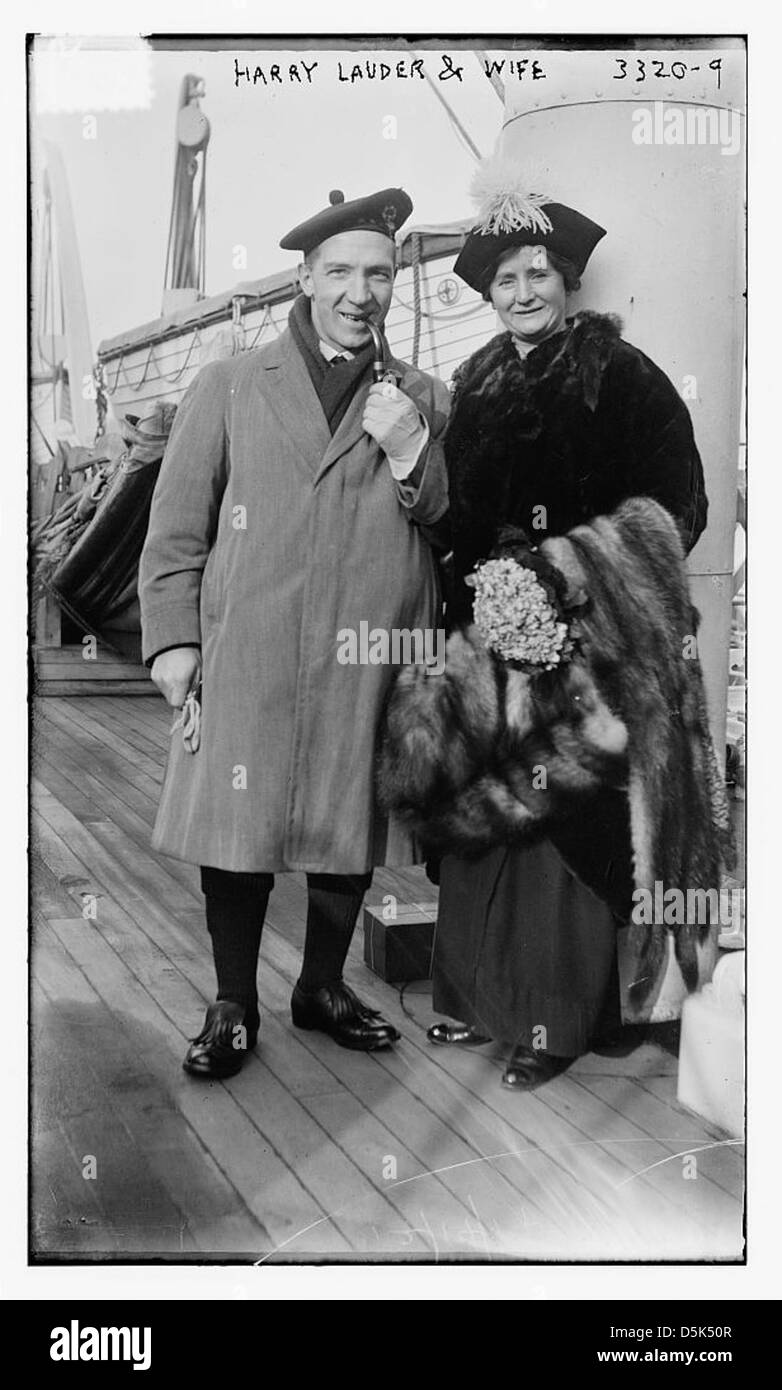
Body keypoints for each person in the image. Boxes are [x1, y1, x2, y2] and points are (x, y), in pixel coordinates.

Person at [139, 186, 449, 1078]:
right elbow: (176, 525)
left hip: (367, 652)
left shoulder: (423, 395)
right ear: (306, 278)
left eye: (380, 274)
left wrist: (411, 453)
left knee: (345, 820)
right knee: (237, 828)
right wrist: (171, 639)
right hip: (252, 646)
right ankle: (234, 1003)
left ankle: (320, 986)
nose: (362, 292)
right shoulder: (231, 383)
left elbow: (443, 521)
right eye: (342, 272)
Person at [425, 159, 708, 1090]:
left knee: (564, 824)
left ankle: (550, 1022)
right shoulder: (472, 382)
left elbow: (676, 507)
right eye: (504, 279)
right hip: (495, 639)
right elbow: (457, 514)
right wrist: (482, 588)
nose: (521, 291)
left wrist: (567, 580)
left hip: (593, 643)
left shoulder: (620, 374)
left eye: (536, 272)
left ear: (567, 279)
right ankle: (477, 1001)